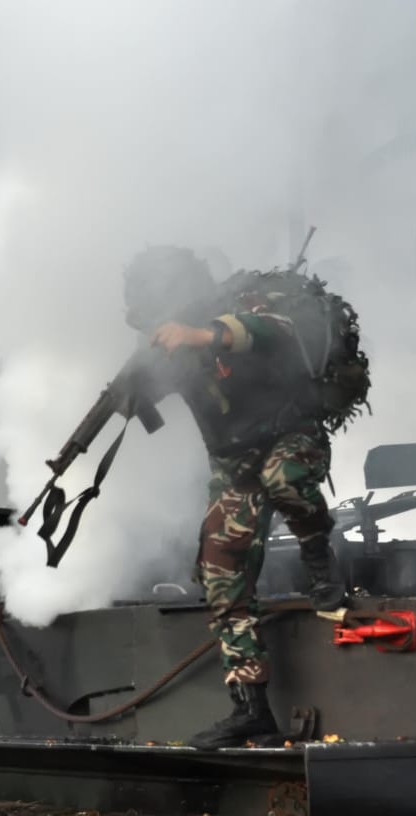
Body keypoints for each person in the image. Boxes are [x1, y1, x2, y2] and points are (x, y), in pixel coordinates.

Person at [122, 246, 351, 749]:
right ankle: (251, 710)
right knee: (222, 576)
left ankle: (317, 549)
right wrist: (134, 393)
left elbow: (276, 330)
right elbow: (149, 397)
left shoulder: (240, 303)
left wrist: (202, 334)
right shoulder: (162, 347)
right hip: (233, 464)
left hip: (290, 436)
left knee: (284, 479)